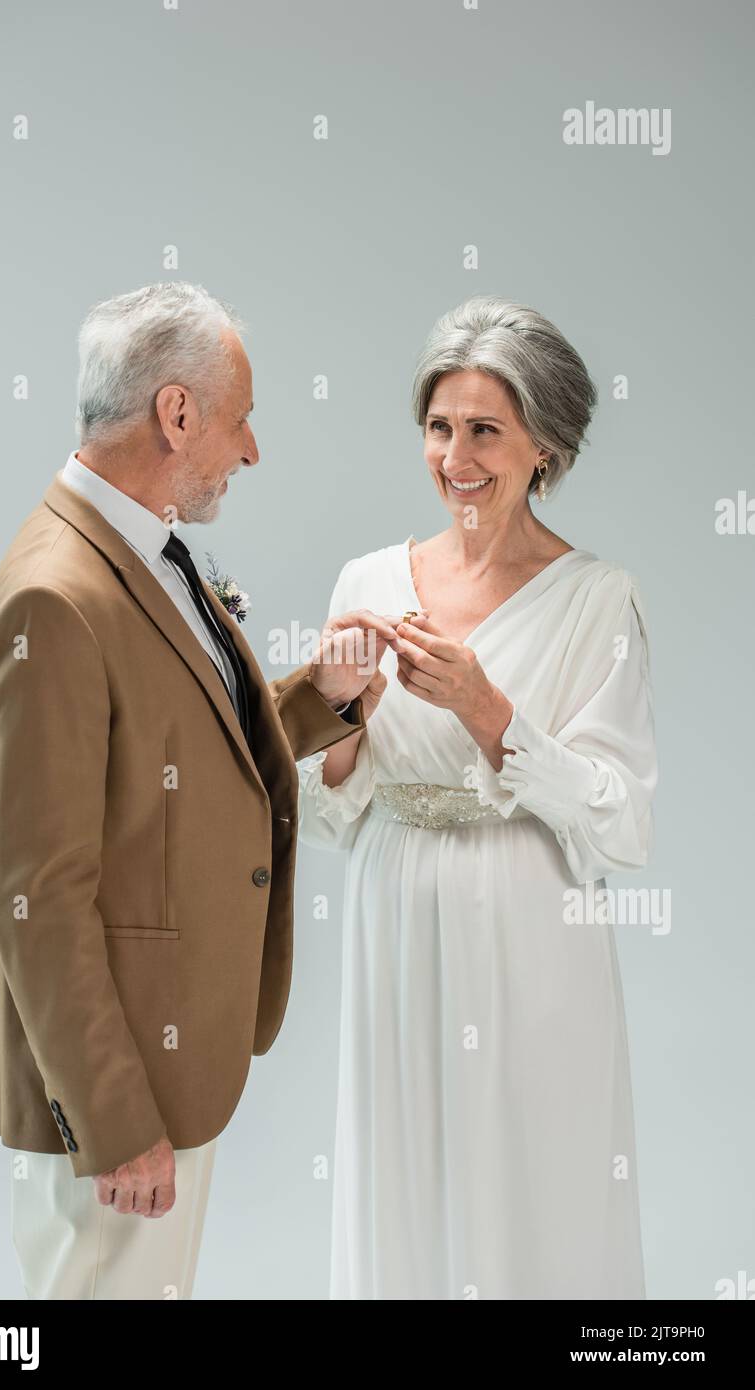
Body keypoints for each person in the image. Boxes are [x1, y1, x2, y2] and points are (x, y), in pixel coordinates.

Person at [0, 282, 397, 1299]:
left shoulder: (142, 548)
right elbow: (38, 896)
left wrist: (312, 697)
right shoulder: (54, 595)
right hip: (114, 1087)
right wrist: (114, 1121)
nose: (253, 450)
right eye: (242, 419)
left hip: (164, 1053)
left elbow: (180, 753)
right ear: (176, 412)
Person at [297, 295, 658, 1300]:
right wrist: (346, 717)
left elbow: (621, 820)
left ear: (544, 443)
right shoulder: (369, 579)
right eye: (439, 426)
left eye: (485, 430)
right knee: (402, 1173)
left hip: (531, 921)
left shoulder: (599, 598)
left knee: (535, 1177)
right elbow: (325, 816)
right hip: (393, 913)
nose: (456, 455)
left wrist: (492, 714)